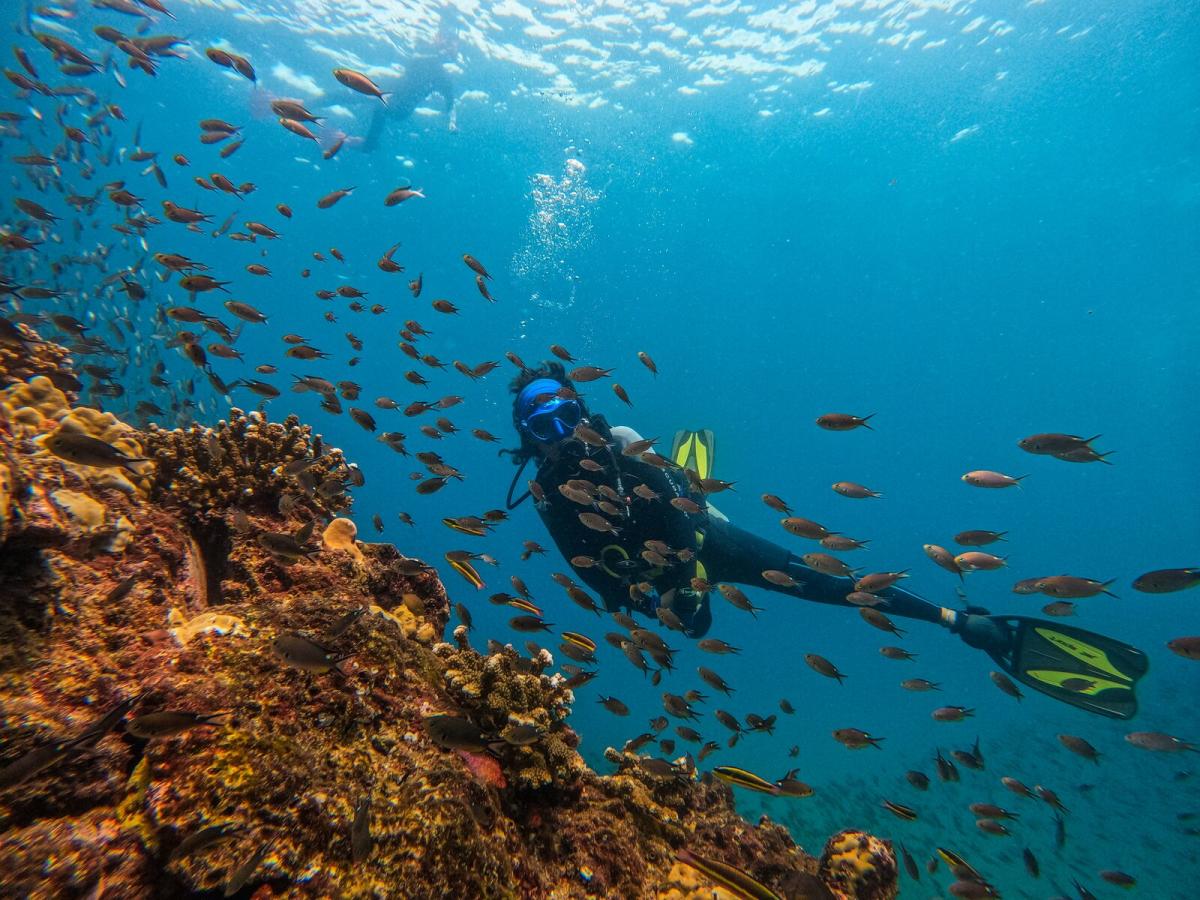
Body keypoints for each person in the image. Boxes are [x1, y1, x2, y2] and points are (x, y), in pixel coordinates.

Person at [503, 362, 1149, 719]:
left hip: (704, 538)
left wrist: (687, 574)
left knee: (831, 587)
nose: (558, 433)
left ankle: (965, 622)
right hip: (656, 578)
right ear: (527, 436)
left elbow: (676, 522)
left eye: (564, 415)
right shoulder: (547, 493)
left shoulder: (620, 453)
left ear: (581, 412)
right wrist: (650, 605)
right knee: (696, 632)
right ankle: (692, 535)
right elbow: (586, 570)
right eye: (541, 424)